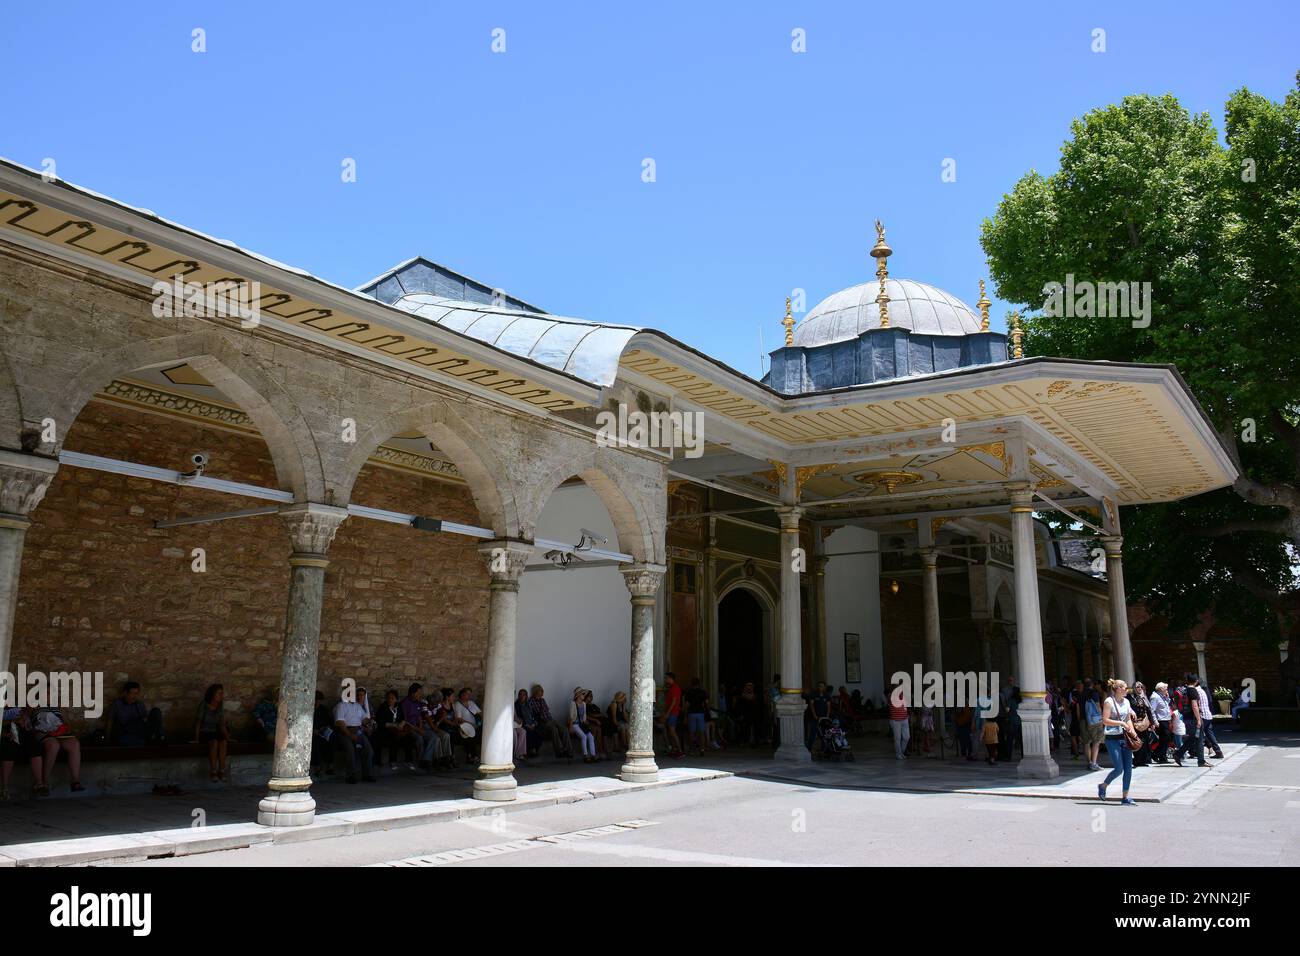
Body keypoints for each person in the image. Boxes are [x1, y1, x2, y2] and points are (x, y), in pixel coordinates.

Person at [1098, 678, 1138, 805]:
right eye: (1125, 688)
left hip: (1125, 738)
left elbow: (1127, 719)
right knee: (1119, 768)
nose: (1127, 690)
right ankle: (1103, 785)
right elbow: (1105, 720)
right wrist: (1120, 723)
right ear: (1118, 689)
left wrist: (1133, 732)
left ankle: (1125, 797)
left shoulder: (1126, 702)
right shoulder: (1109, 702)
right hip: (1112, 739)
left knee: (1128, 769)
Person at [333, 687, 376, 783]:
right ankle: (350, 775)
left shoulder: (358, 706)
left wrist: (370, 721)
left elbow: (363, 719)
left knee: (368, 750)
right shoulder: (342, 705)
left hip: (358, 731)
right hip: (344, 731)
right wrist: (349, 735)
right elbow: (340, 722)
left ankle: (367, 774)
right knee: (350, 750)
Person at [1, 706, 43, 799]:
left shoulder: (17, 706)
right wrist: (5, 733)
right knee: (9, 746)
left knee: (34, 744)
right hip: (5, 733)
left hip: (19, 731)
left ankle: (39, 784)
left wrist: (24, 719)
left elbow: (27, 724)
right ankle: (4, 788)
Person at [106, 681, 165, 747]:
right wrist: (108, 739)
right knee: (135, 741)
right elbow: (110, 721)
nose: (135, 696)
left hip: (139, 731)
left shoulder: (139, 704)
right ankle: (147, 741)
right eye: (132, 693)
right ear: (125, 693)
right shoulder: (117, 704)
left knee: (156, 711)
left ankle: (160, 737)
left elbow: (145, 720)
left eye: (136, 693)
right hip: (126, 733)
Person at [193, 683, 230, 782]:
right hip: (204, 732)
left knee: (223, 742)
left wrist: (228, 738)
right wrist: (196, 739)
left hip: (215, 731)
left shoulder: (220, 706)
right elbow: (198, 722)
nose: (221, 696)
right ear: (212, 694)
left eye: (222, 693)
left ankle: (222, 770)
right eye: (219, 693)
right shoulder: (204, 705)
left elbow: (222, 725)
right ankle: (213, 770)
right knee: (214, 742)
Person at [1172, 674, 1208, 768]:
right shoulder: (1192, 690)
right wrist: (1199, 719)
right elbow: (1194, 705)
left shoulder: (1184, 689)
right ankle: (1201, 761)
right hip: (1193, 718)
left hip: (1186, 717)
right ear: (1196, 681)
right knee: (1199, 738)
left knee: (1193, 738)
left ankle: (1178, 754)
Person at [528, 685, 572, 760]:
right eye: (539, 692)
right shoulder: (531, 701)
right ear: (535, 692)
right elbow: (536, 714)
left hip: (550, 719)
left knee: (564, 729)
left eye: (542, 692)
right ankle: (559, 751)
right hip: (542, 722)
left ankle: (569, 750)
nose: (541, 694)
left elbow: (547, 711)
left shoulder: (542, 700)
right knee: (554, 729)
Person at [374, 689, 409, 770]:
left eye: (392, 698)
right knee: (394, 737)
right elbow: (381, 723)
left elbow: (404, 718)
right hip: (385, 730)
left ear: (396, 699)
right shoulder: (383, 707)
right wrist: (395, 725)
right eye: (388, 698)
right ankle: (392, 761)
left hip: (397, 729)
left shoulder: (399, 706)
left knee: (408, 737)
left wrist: (401, 724)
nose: (390, 700)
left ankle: (408, 760)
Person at [1195, 679, 1226, 759]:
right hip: (1208, 715)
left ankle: (1192, 753)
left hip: (1203, 716)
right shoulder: (1203, 691)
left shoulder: (1196, 691)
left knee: (1197, 735)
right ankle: (1218, 751)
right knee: (1209, 734)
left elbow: (1196, 705)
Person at [453, 688, 482, 764]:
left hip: (474, 726)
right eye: (467, 694)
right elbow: (459, 719)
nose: (469, 696)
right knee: (471, 735)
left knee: (482, 732)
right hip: (464, 726)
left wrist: (482, 720)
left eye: (470, 694)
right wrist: (471, 724)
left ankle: (476, 755)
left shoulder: (471, 703)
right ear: (462, 695)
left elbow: (479, 713)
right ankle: (472, 756)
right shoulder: (458, 704)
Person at [569, 687, 598, 762]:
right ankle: (585, 755)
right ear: (578, 695)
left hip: (582, 724)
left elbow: (584, 716)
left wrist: (586, 723)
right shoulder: (573, 704)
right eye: (582, 694)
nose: (584, 695)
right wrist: (571, 726)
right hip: (575, 724)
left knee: (591, 737)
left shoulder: (584, 704)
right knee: (584, 737)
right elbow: (571, 716)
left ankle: (593, 755)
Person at [684, 678, 710, 757]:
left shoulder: (689, 692)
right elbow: (706, 703)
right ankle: (702, 749)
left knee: (691, 732)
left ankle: (692, 750)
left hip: (691, 713)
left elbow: (687, 704)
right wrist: (707, 712)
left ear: (692, 684)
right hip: (700, 713)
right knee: (701, 732)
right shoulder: (703, 692)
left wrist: (685, 715)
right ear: (699, 684)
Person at [1082, 679, 1104, 771]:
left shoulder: (1081, 694)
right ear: (1092, 685)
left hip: (1083, 720)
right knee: (1097, 741)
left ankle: (1089, 762)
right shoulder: (1094, 693)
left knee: (1086, 742)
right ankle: (1094, 763)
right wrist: (1102, 718)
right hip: (1094, 720)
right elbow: (1098, 706)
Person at [310, 690, 334, 776]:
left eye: (319, 700)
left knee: (331, 739)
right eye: (316, 700)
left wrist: (322, 729)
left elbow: (328, 722)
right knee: (315, 742)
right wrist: (312, 730)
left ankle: (329, 765)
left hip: (321, 732)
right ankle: (317, 766)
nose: (317, 702)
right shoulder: (307, 708)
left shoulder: (323, 709)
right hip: (310, 733)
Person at [1149, 682, 1173, 764]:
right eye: (1165, 688)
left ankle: (1161, 756)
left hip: (1166, 719)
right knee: (1165, 738)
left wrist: (1167, 697)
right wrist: (1155, 721)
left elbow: (1166, 705)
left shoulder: (1162, 696)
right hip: (1161, 720)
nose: (1167, 690)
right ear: (1160, 689)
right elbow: (1152, 710)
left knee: (1166, 739)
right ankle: (1157, 754)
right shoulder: (1155, 697)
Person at [663, 672, 685, 758]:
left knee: (672, 732)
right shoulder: (671, 688)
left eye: (666, 678)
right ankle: (674, 749)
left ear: (670, 678)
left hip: (673, 713)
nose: (665, 680)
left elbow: (674, 701)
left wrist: (667, 713)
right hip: (671, 713)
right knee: (670, 732)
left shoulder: (675, 688)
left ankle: (679, 750)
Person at [517, 689, 541, 757]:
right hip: (523, 725)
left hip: (532, 724)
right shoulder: (517, 706)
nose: (522, 696)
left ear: (526, 696)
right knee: (529, 732)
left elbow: (534, 714)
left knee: (540, 731)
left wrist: (535, 722)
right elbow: (519, 718)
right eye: (520, 694)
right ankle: (530, 751)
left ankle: (535, 749)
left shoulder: (528, 705)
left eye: (524, 695)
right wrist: (527, 725)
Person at [888, 688, 910, 759]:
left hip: (904, 719)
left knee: (907, 737)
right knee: (897, 738)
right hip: (896, 720)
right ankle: (898, 754)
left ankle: (901, 752)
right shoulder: (892, 696)